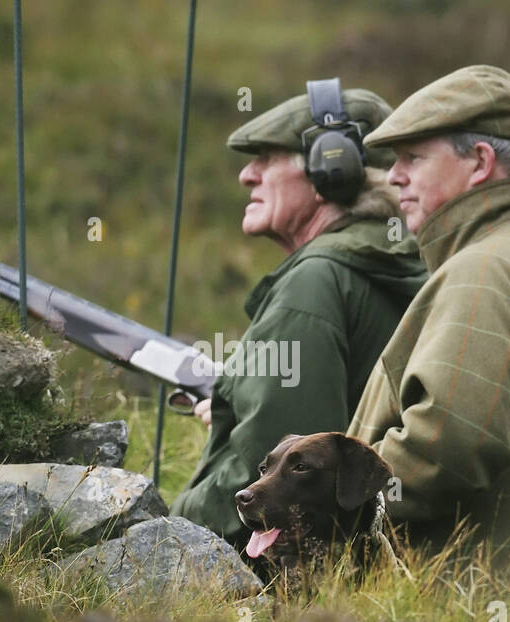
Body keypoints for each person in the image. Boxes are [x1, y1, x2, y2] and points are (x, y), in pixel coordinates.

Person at [346, 65, 510, 597]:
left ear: (481, 163)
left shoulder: (485, 269)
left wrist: (336, 503)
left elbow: (448, 442)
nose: (393, 177)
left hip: (468, 613)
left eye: (413, 158)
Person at [172, 81, 428, 551]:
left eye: (267, 159)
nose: (247, 175)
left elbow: (281, 465)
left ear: (332, 170)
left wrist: (172, 527)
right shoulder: (395, 264)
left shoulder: (314, 281)